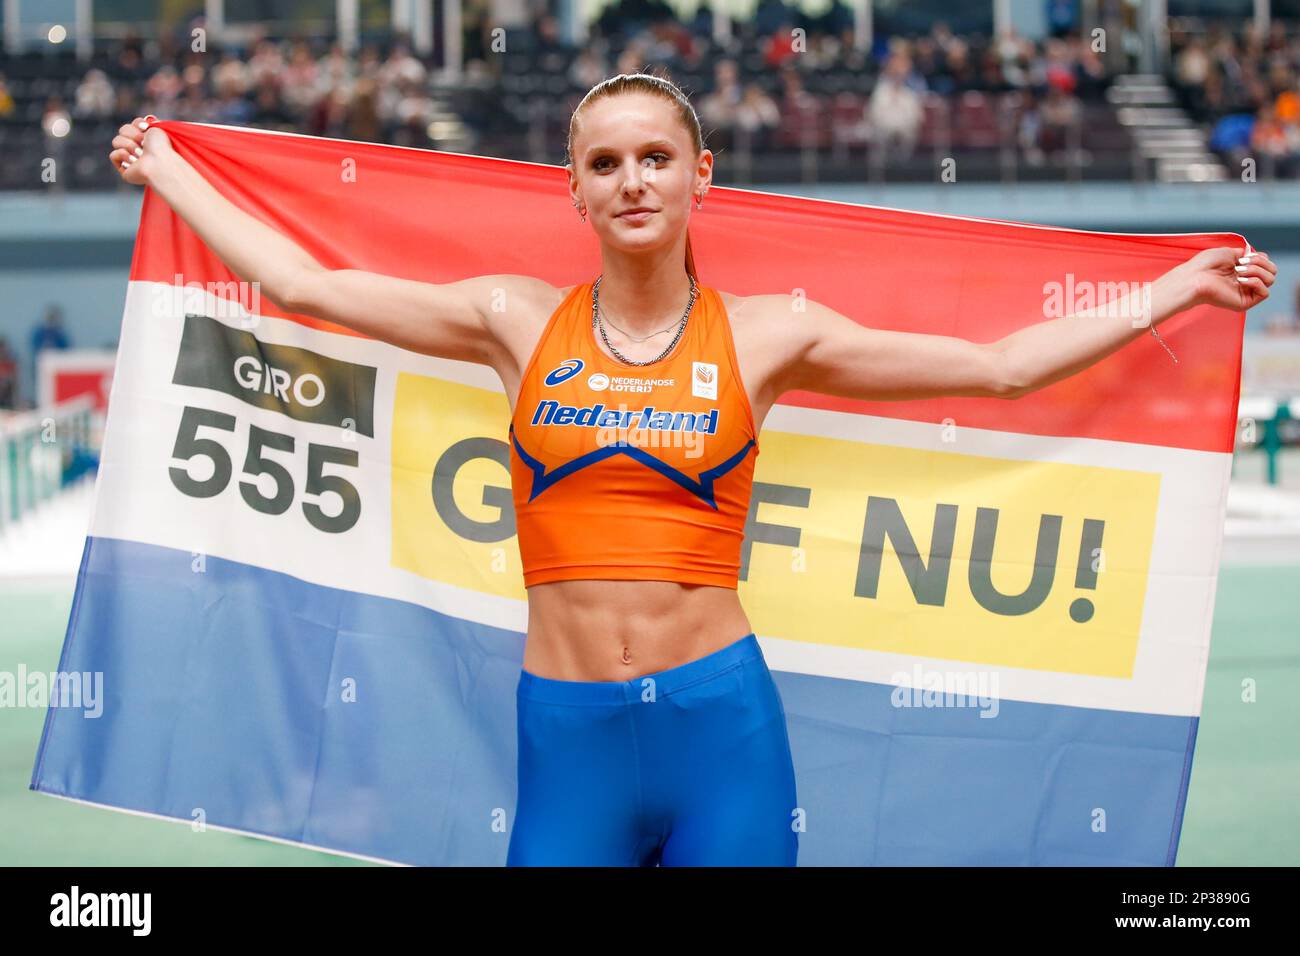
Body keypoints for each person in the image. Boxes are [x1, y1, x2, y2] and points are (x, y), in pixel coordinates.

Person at [108, 72, 1276, 867]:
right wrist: (171, 172)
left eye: (654, 157)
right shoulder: (514, 320)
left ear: (699, 173)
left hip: (722, 728)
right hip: (563, 737)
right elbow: (312, 287)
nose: (631, 180)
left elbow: (1001, 366)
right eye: (604, 161)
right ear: (571, 185)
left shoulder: (770, 334)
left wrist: (1173, 287)